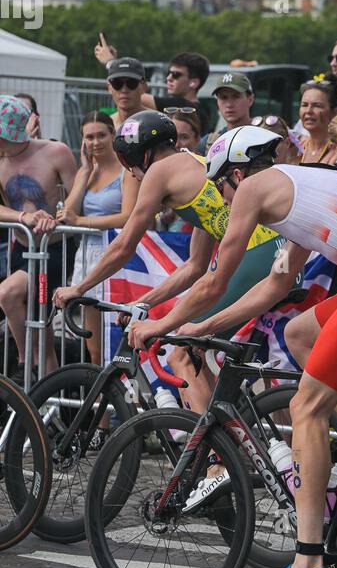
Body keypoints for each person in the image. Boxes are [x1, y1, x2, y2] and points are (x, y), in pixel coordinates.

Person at [125, 125, 337, 568]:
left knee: (306, 411)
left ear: (234, 173)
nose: (227, 201)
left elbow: (213, 284)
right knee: (299, 333)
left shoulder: (253, 187)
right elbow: (274, 286)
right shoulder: (300, 188)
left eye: (221, 189)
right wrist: (200, 331)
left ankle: (307, 563)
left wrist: (163, 324)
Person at [52, 111, 283, 422]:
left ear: (136, 155)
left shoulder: (159, 172)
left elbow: (123, 246)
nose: (130, 172)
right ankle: (231, 443)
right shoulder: (196, 163)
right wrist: (143, 302)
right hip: (274, 251)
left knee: (181, 354)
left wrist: (77, 288)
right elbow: (195, 266)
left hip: (256, 252)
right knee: (199, 351)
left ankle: (216, 462)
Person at [0, 95, 78, 377]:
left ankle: (28, 366)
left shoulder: (56, 152)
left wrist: (58, 217)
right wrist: (24, 218)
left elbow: (75, 200)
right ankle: (30, 370)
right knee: (41, 340)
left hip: (54, 250)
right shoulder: (1, 159)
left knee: (12, 297)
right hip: (21, 250)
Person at [59, 111, 139, 364]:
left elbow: (128, 216)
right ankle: (100, 397)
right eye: (89, 137)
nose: (96, 142)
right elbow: (67, 214)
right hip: (87, 255)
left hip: (117, 254)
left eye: (101, 135)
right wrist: (84, 172)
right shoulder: (88, 172)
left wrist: (81, 222)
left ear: (112, 135)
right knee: (94, 344)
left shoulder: (127, 171)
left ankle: (127, 399)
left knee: (117, 334)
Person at [204, 72, 255, 147]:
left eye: (236, 97)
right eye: (223, 97)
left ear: (250, 100)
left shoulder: (266, 137)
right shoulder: (208, 144)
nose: (229, 104)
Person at [297, 80, 337, 166]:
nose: (308, 111)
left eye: (317, 106)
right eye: (304, 105)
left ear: (334, 112)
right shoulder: (296, 148)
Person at [106, 58, 152, 130]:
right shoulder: (105, 125)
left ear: (144, 87)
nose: (124, 90)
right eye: (117, 84)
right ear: (109, 88)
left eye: (132, 83)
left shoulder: (156, 123)